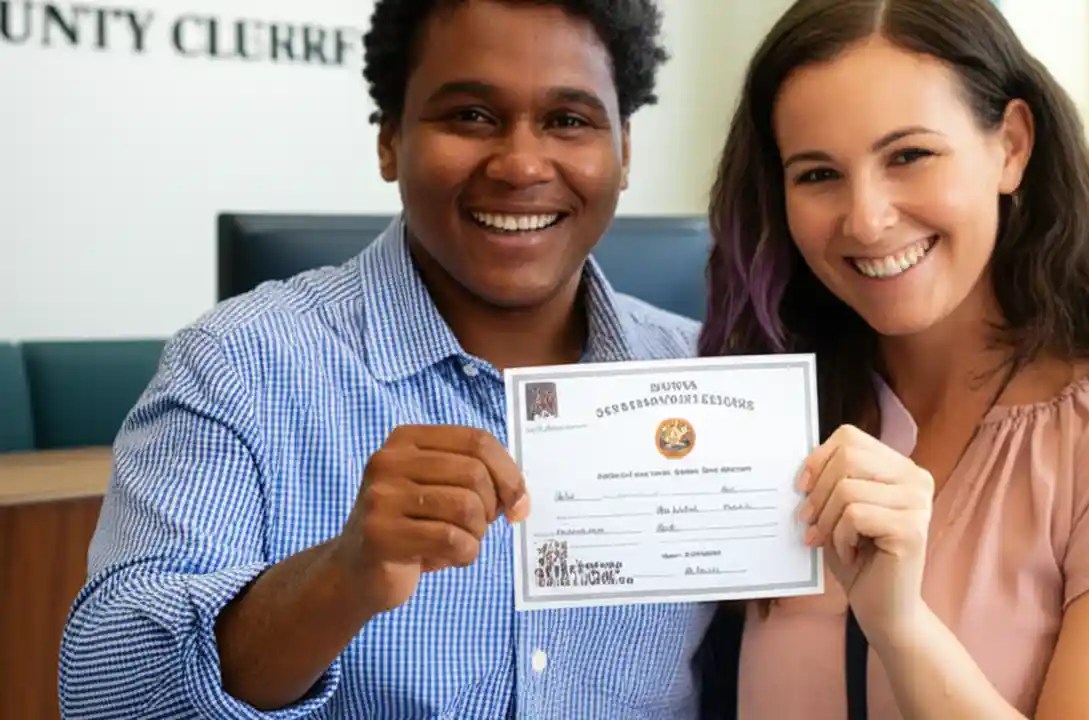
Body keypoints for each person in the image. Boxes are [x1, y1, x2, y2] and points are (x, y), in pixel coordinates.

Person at [58, 1, 714, 718]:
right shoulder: (240, 367)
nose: (523, 164)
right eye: (470, 115)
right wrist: (342, 578)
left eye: (569, 121)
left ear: (625, 152)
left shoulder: (706, 379)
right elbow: (102, 692)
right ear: (390, 141)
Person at [693, 0, 1089, 718]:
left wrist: (902, 629)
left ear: (1012, 146)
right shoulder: (766, 416)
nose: (866, 218)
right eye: (818, 175)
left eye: (910, 155)